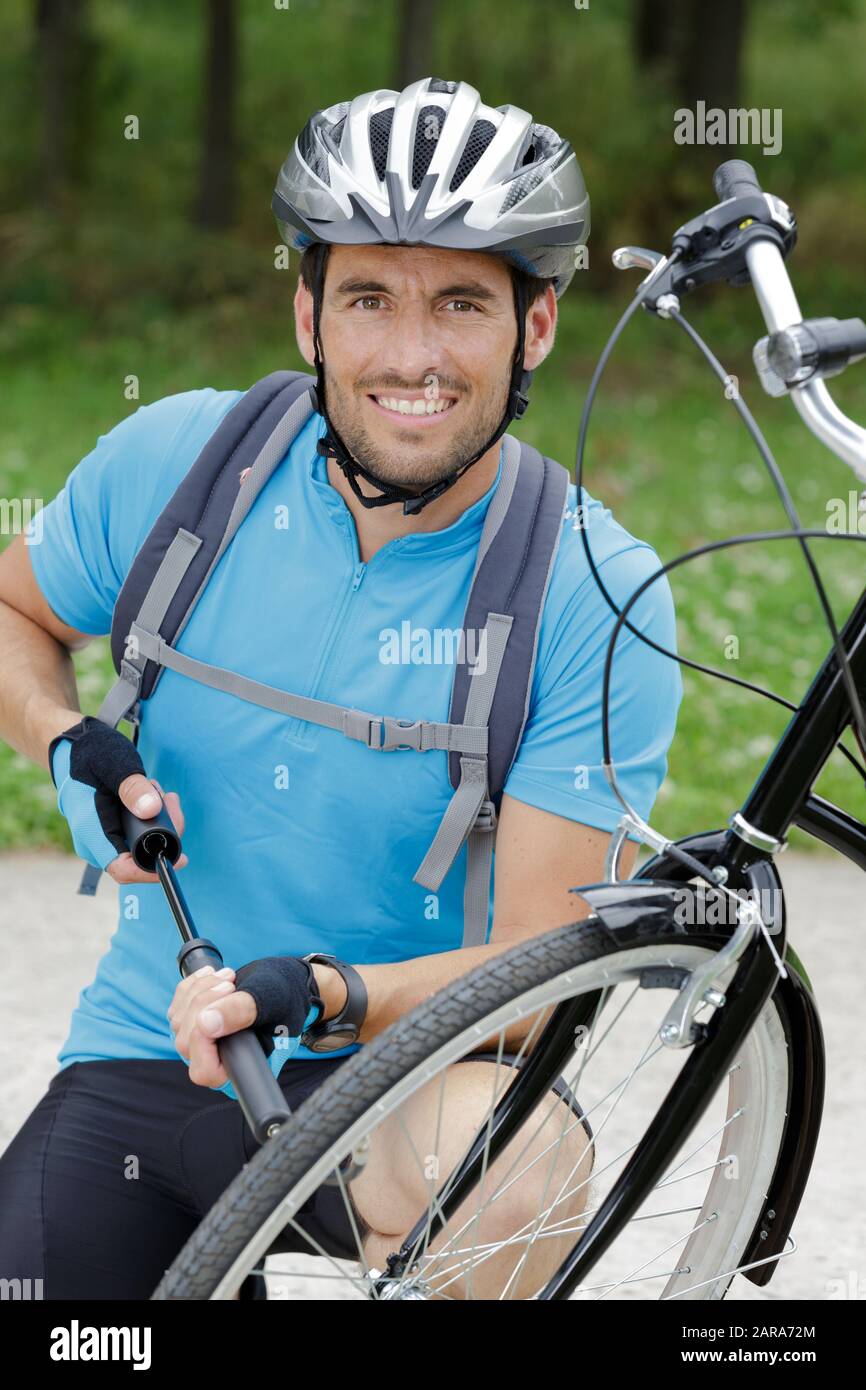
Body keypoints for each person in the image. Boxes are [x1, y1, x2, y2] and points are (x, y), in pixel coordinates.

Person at [0, 77, 682, 1299]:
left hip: (399, 1079)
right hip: (148, 1059)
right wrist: (63, 739)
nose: (410, 357)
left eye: (462, 304)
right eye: (369, 297)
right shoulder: (179, 463)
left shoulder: (591, 590)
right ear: (308, 311)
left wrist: (323, 994)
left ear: (533, 330)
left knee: (520, 1162)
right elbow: (12, 609)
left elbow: (542, 965)